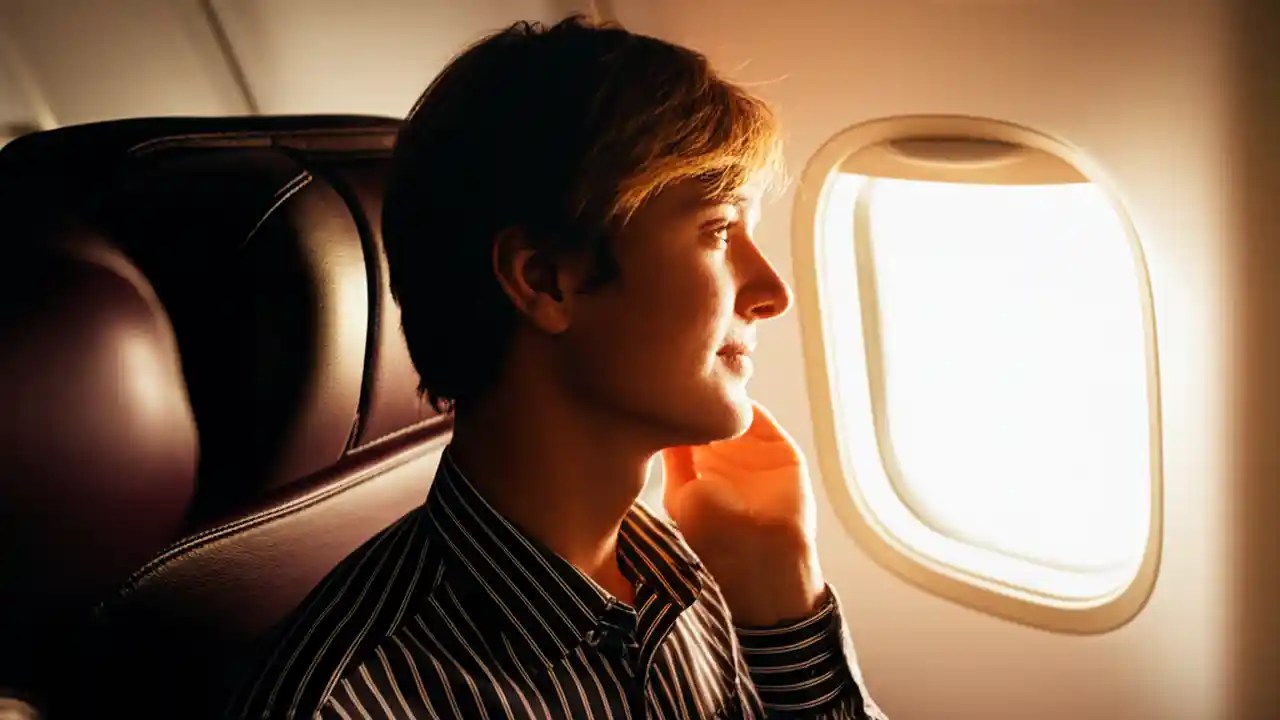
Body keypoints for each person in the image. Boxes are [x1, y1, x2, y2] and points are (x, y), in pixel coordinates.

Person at [226, 14, 886, 719]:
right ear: (546, 282)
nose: (773, 294)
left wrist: (788, 605)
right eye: (719, 229)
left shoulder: (688, 575)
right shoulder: (348, 701)